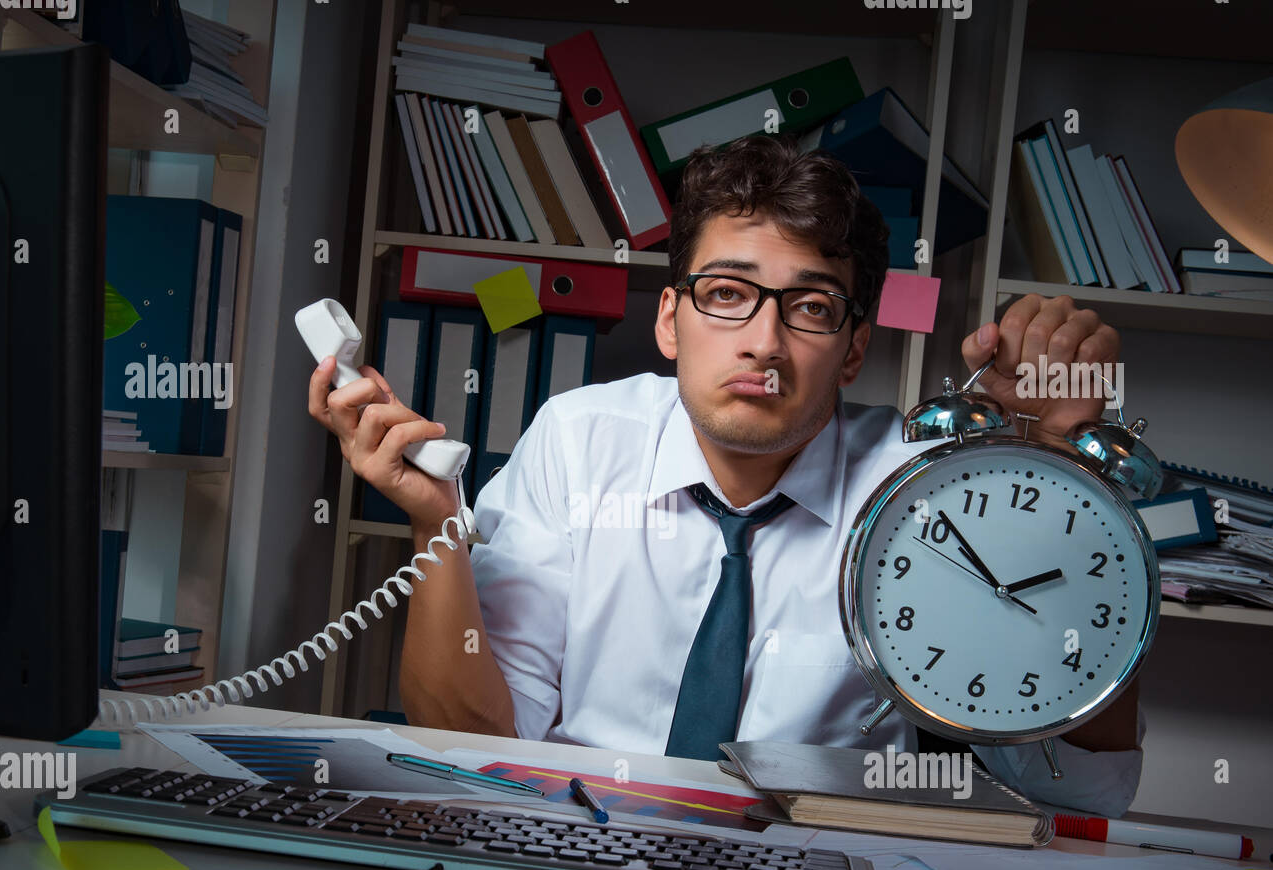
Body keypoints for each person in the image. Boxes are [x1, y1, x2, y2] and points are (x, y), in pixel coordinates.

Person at [308, 135, 1143, 817]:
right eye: (727, 293)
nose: (764, 343)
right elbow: (476, 740)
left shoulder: (924, 493)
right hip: (575, 836)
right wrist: (436, 527)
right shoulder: (579, 441)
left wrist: (1068, 474)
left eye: (811, 307)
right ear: (671, 319)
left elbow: (1084, 783)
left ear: (854, 348)